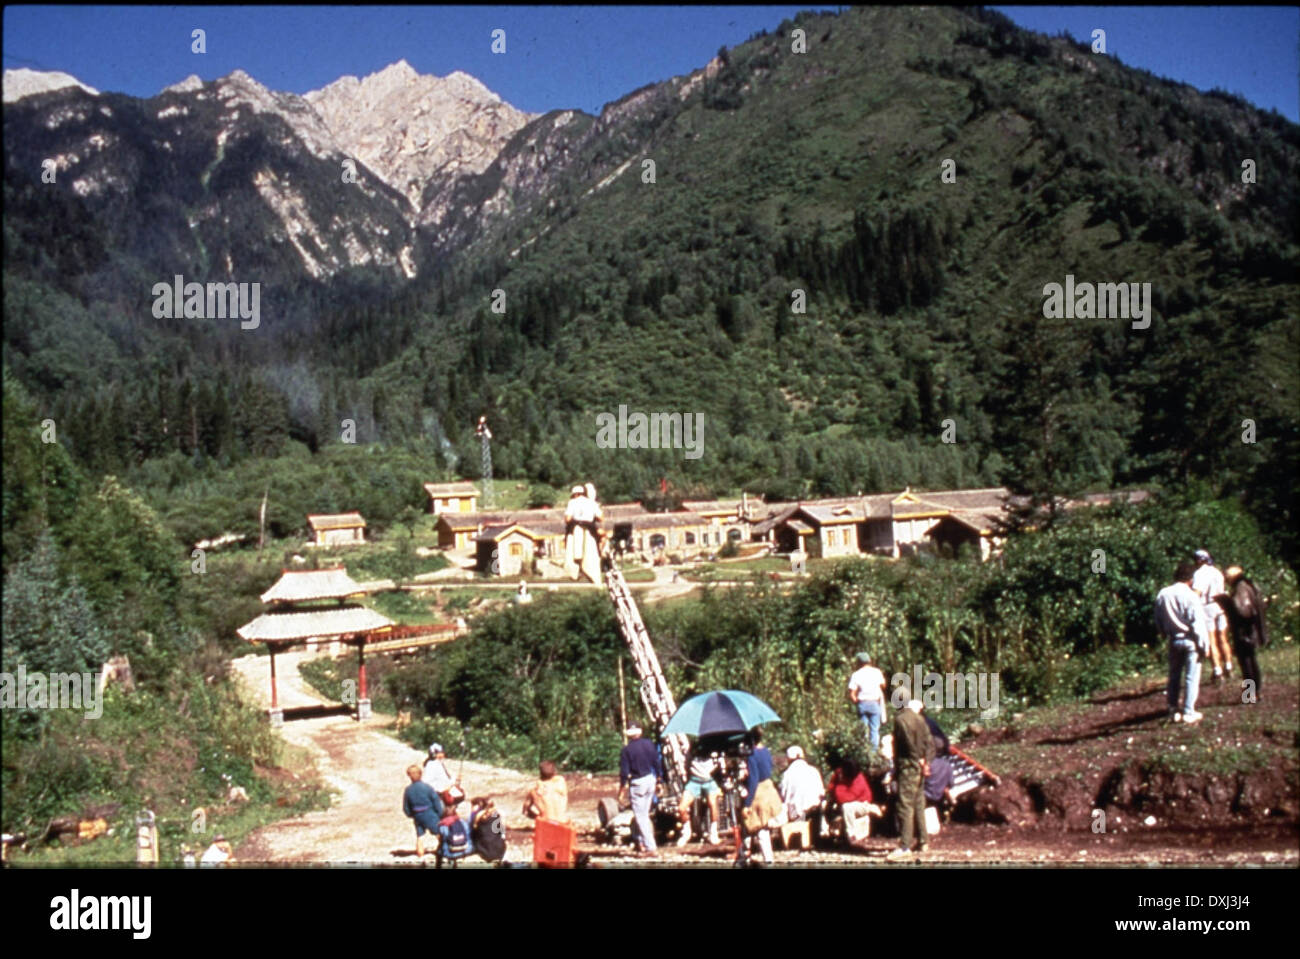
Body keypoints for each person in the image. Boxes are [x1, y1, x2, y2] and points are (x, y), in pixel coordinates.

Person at [1155, 561, 1210, 724]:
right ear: (1191, 579)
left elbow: (1158, 617)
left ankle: (1172, 708)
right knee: (1191, 677)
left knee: (1174, 675)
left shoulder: (1163, 593)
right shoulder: (1191, 596)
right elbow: (1197, 623)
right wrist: (1204, 645)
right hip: (1190, 640)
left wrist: (1163, 632)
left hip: (1173, 639)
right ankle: (1188, 711)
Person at [886, 699, 935, 862]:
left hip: (908, 766)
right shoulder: (921, 720)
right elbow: (930, 743)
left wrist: (916, 760)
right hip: (919, 766)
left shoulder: (901, 720)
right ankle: (923, 841)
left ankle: (905, 845)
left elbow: (907, 743)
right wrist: (926, 762)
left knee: (905, 804)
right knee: (919, 803)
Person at [1215, 566, 1270, 701]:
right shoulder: (1250, 584)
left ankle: (1250, 695)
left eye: (1227, 578)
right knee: (1252, 661)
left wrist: (1226, 602)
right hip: (1252, 630)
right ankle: (1255, 692)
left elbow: (1243, 611)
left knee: (1246, 664)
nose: (1227, 581)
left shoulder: (1241, 588)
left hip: (1244, 632)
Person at [618, 724, 662, 857]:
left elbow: (624, 773)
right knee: (645, 813)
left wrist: (621, 790)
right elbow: (656, 762)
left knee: (640, 816)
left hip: (638, 783)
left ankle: (650, 847)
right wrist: (660, 780)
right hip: (650, 779)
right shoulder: (649, 744)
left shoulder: (627, 750)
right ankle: (641, 842)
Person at [1192, 550, 1233, 685]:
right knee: (1223, 638)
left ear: (1199, 560)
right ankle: (1228, 666)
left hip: (1207, 606)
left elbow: (1197, 593)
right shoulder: (1216, 572)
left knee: (1211, 640)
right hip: (1220, 605)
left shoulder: (1199, 574)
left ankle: (1217, 671)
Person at [739, 728, 778, 864]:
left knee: (755, 824)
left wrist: (748, 803)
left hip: (758, 791)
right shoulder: (766, 751)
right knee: (762, 825)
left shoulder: (752, 755)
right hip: (768, 788)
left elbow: (754, 778)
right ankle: (751, 855)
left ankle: (759, 857)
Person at [677, 744, 723, 847]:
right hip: (694, 781)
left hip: (709, 781)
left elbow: (719, 768)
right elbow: (687, 765)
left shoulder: (714, 751)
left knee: (713, 803)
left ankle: (713, 832)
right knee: (682, 808)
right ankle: (687, 832)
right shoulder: (692, 750)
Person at [827, 758, 877, 843]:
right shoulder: (838, 773)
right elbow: (831, 788)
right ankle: (829, 834)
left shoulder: (858, 779)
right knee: (826, 805)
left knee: (847, 807)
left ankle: (851, 834)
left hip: (861, 804)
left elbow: (845, 798)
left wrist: (839, 785)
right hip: (844, 802)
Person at [563, 483, 604, 583]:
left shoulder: (572, 502)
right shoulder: (591, 503)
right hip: (589, 529)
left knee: (575, 552)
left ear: (575, 494)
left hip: (576, 529)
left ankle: (578, 572)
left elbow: (567, 519)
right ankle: (592, 574)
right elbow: (601, 518)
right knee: (590, 552)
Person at [402, 764, 444, 858]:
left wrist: (411, 815)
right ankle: (443, 850)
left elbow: (406, 807)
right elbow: (436, 801)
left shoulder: (408, 790)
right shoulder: (427, 788)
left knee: (420, 836)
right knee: (438, 834)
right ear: (420, 774)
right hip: (429, 814)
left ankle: (420, 854)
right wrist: (440, 814)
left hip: (417, 815)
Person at [779, 745, 825, 831]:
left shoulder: (787, 775)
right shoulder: (813, 770)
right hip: (815, 813)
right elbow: (821, 793)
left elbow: (783, 796)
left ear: (788, 759)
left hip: (797, 816)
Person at [848, 652, 888, 749]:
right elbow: (883, 685)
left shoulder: (856, 674)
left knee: (863, 730)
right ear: (869, 661)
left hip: (862, 703)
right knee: (874, 730)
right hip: (874, 702)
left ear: (859, 662)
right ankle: (873, 753)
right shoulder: (877, 672)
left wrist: (857, 701)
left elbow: (852, 693)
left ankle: (864, 751)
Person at [923, 712, 954, 805]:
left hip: (925, 797)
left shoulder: (926, 765)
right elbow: (951, 784)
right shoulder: (946, 765)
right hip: (939, 797)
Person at [470, 796, 509, 864]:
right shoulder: (497, 815)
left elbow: (472, 831)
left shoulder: (478, 817)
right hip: (499, 851)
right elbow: (502, 832)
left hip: (485, 852)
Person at [423, 743, 462, 807]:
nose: (441, 755)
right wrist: (444, 789)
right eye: (438, 753)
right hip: (437, 795)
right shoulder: (431, 765)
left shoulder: (440, 764)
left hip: (445, 792)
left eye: (442, 753)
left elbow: (445, 779)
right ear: (433, 755)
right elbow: (428, 783)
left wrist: (455, 780)